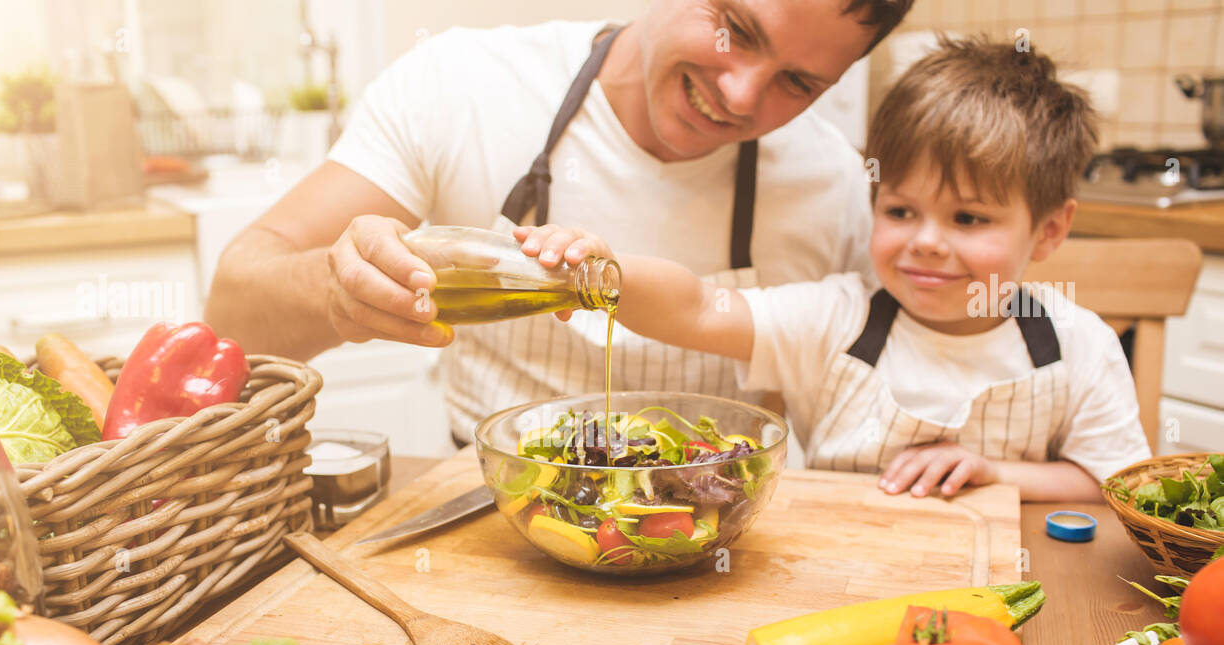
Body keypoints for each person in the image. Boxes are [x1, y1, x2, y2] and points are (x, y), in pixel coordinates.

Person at [205, 1, 914, 447]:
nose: (737, 93)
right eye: (733, 29)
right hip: (483, 526)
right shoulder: (460, 87)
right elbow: (233, 322)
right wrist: (337, 290)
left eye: (799, 83)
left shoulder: (838, 189)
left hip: (696, 546)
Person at [509, 37, 1152, 502]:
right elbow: (701, 307)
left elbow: (1108, 482)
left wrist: (993, 471)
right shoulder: (838, 316)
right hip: (830, 574)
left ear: (1049, 230)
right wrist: (605, 271)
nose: (925, 243)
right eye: (901, 210)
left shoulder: (1080, 344)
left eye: (968, 220)